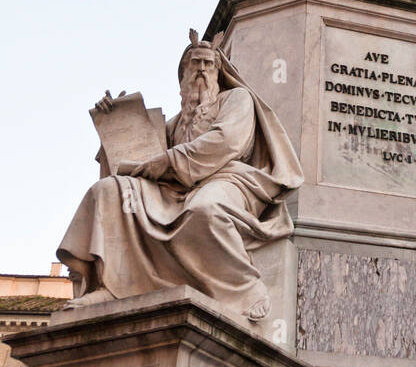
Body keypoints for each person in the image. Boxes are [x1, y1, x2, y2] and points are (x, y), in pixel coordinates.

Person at [58, 33, 303, 323]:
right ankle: (110, 284)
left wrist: (166, 161)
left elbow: (226, 142)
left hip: (230, 178)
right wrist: (115, 126)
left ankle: (244, 290)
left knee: (204, 210)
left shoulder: (237, 99)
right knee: (109, 190)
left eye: (208, 64)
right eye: (194, 63)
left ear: (219, 72)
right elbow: (134, 158)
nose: (201, 68)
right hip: (174, 188)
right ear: (182, 77)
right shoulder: (174, 123)